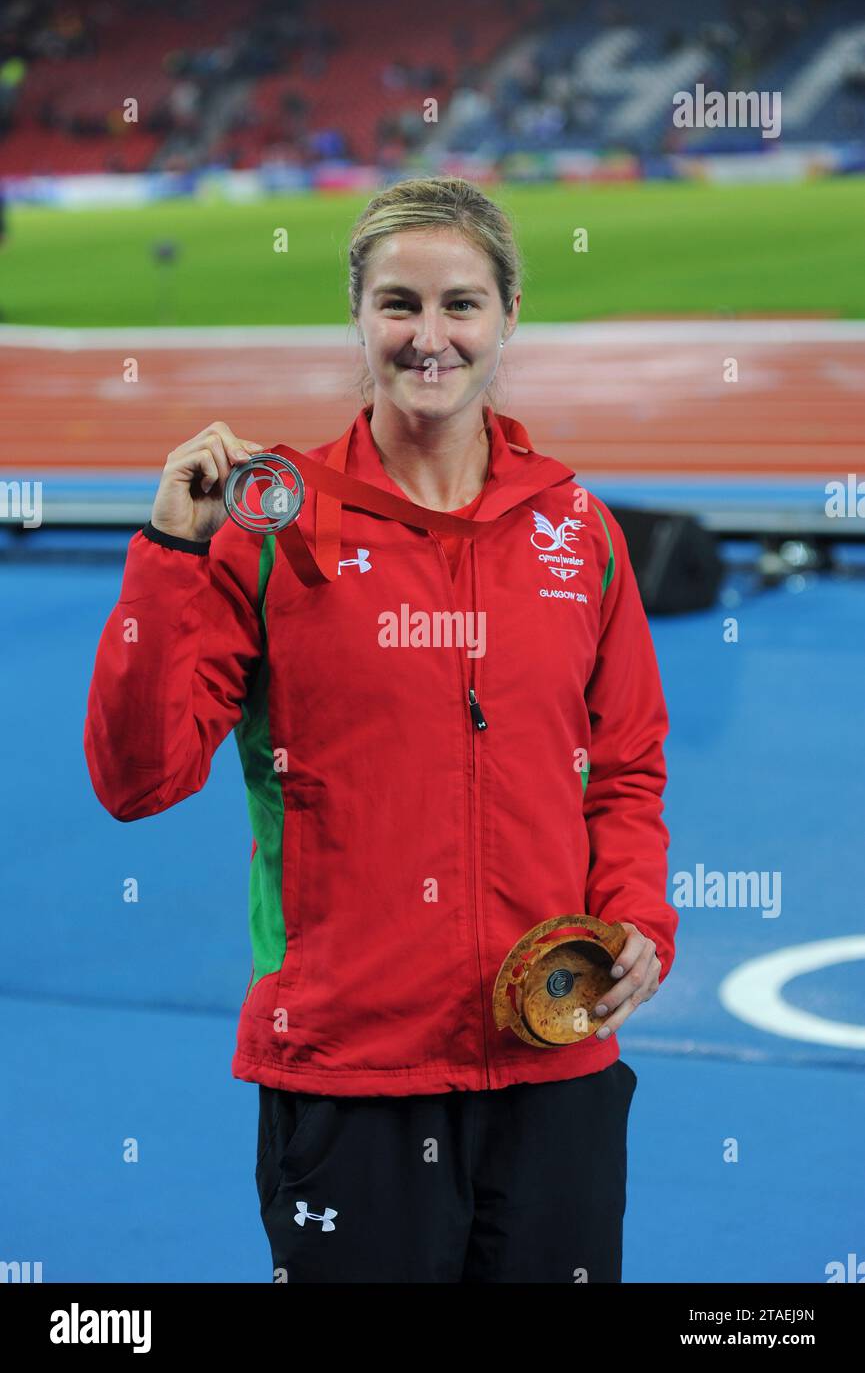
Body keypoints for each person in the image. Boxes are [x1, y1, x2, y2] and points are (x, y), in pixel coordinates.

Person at [84, 175, 677, 1284]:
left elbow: (627, 768)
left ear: (507, 320)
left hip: (554, 1055)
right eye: (399, 303)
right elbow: (138, 778)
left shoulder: (578, 529)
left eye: (461, 304)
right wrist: (168, 556)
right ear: (357, 317)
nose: (430, 336)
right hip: (350, 1068)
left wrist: (635, 914)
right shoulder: (270, 527)